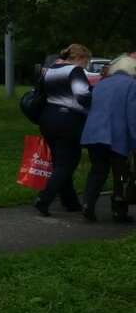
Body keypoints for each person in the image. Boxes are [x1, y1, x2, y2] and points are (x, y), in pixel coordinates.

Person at [33, 43, 93, 216]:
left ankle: (70, 201)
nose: (86, 65)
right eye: (86, 61)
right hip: (67, 119)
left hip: (47, 117)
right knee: (68, 162)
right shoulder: (75, 71)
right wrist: (95, 99)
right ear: (79, 58)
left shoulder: (51, 69)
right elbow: (82, 94)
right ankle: (43, 198)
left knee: (60, 161)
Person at [80, 54, 136, 222]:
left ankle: (87, 204)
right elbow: (132, 115)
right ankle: (119, 211)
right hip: (118, 137)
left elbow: (90, 107)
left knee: (97, 171)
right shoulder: (132, 85)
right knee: (121, 175)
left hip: (95, 134)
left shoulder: (101, 84)